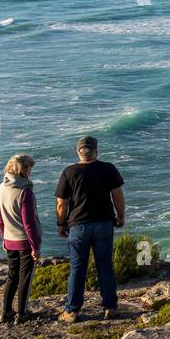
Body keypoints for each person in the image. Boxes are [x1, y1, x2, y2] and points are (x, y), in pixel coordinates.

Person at [54, 136, 126, 322]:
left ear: (78, 152)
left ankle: (72, 310)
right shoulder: (108, 169)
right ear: (96, 151)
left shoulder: (69, 172)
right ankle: (110, 307)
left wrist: (61, 224)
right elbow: (117, 196)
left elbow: (62, 204)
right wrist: (120, 216)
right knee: (105, 266)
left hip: (78, 226)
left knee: (77, 268)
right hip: (104, 224)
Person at [0, 154, 43, 324]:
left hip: (9, 239)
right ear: (22, 170)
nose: (30, 172)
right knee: (26, 277)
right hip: (24, 241)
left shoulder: (1, 187)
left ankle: (6, 312)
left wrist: (4, 237)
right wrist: (35, 246)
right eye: (29, 168)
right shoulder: (25, 192)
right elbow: (28, 223)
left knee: (12, 276)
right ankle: (22, 314)